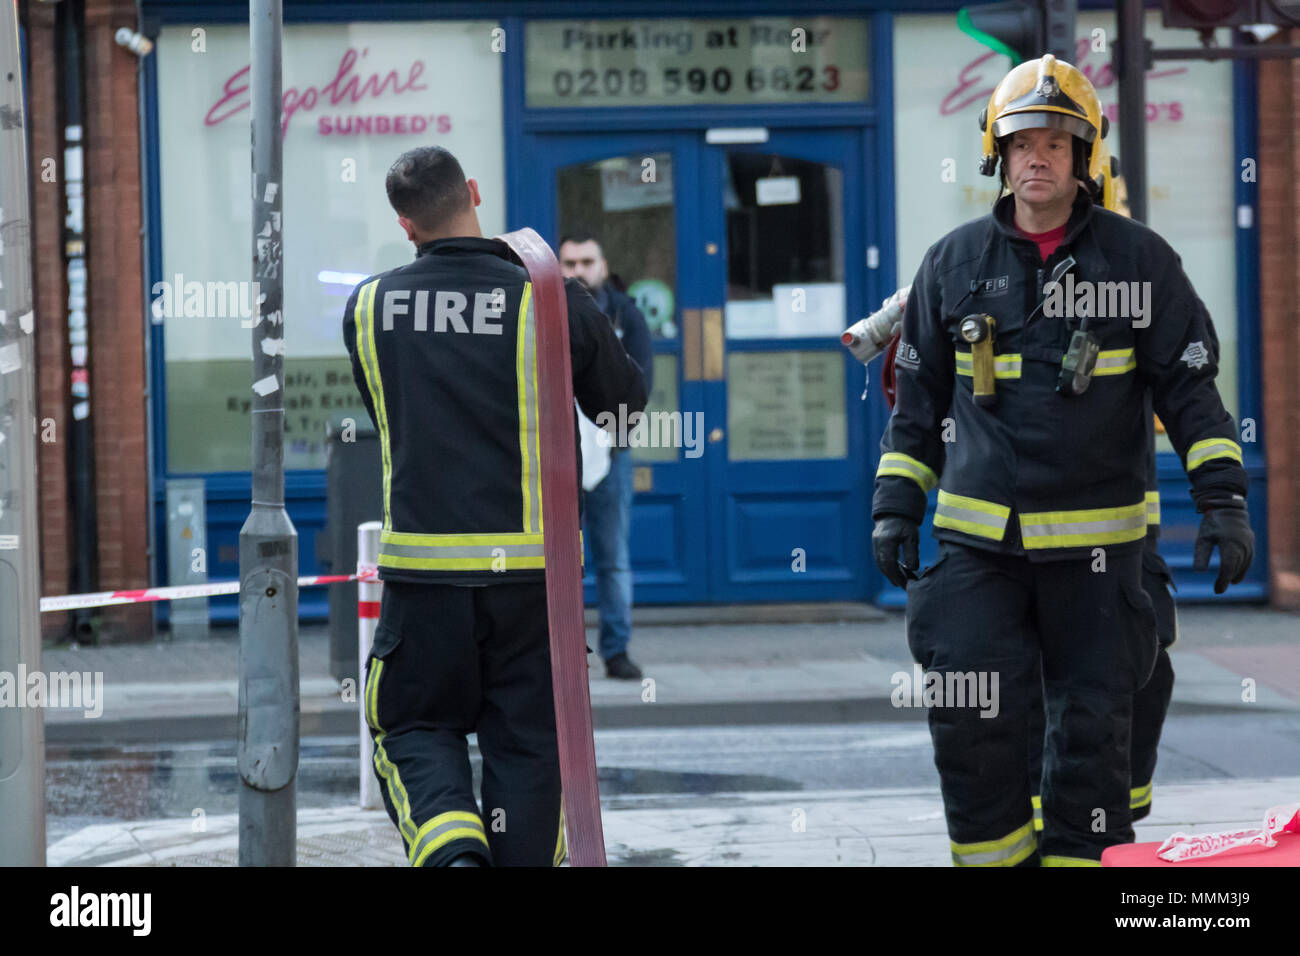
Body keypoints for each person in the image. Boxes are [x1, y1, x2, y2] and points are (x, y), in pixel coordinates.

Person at [871, 55, 1253, 866]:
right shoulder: (952, 265)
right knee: (972, 720)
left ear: (1084, 158)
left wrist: (1223, 501)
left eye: (1054, 142)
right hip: (981, 555)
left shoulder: (1139, 263)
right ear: (997, 158)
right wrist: (895, 507)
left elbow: (1191, 395)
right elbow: (919, 401)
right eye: (1020, 144)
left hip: (1099, 558)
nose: (1036, 158)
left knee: (1091, 739)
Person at [342, 147, 646, 866]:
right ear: (474, 192)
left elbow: (398, 419)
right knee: (532, 745)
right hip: (532, 589)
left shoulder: (368, 308)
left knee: (412, 727)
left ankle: (453, 852)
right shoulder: (553, 297)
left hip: (423, 586)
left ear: (405, 226)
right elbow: (625, 416)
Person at [558, 233, 655, 681]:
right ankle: (565, 653)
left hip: (611, 457)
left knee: (613, 559)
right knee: (560, 562)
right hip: (557, 460)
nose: (578, 270)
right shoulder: (545, 311)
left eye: (586, 261)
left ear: (603, 264)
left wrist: (611, 442)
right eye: (569, 262)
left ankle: (616, 652)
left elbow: (640, 385)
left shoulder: (626, 314)